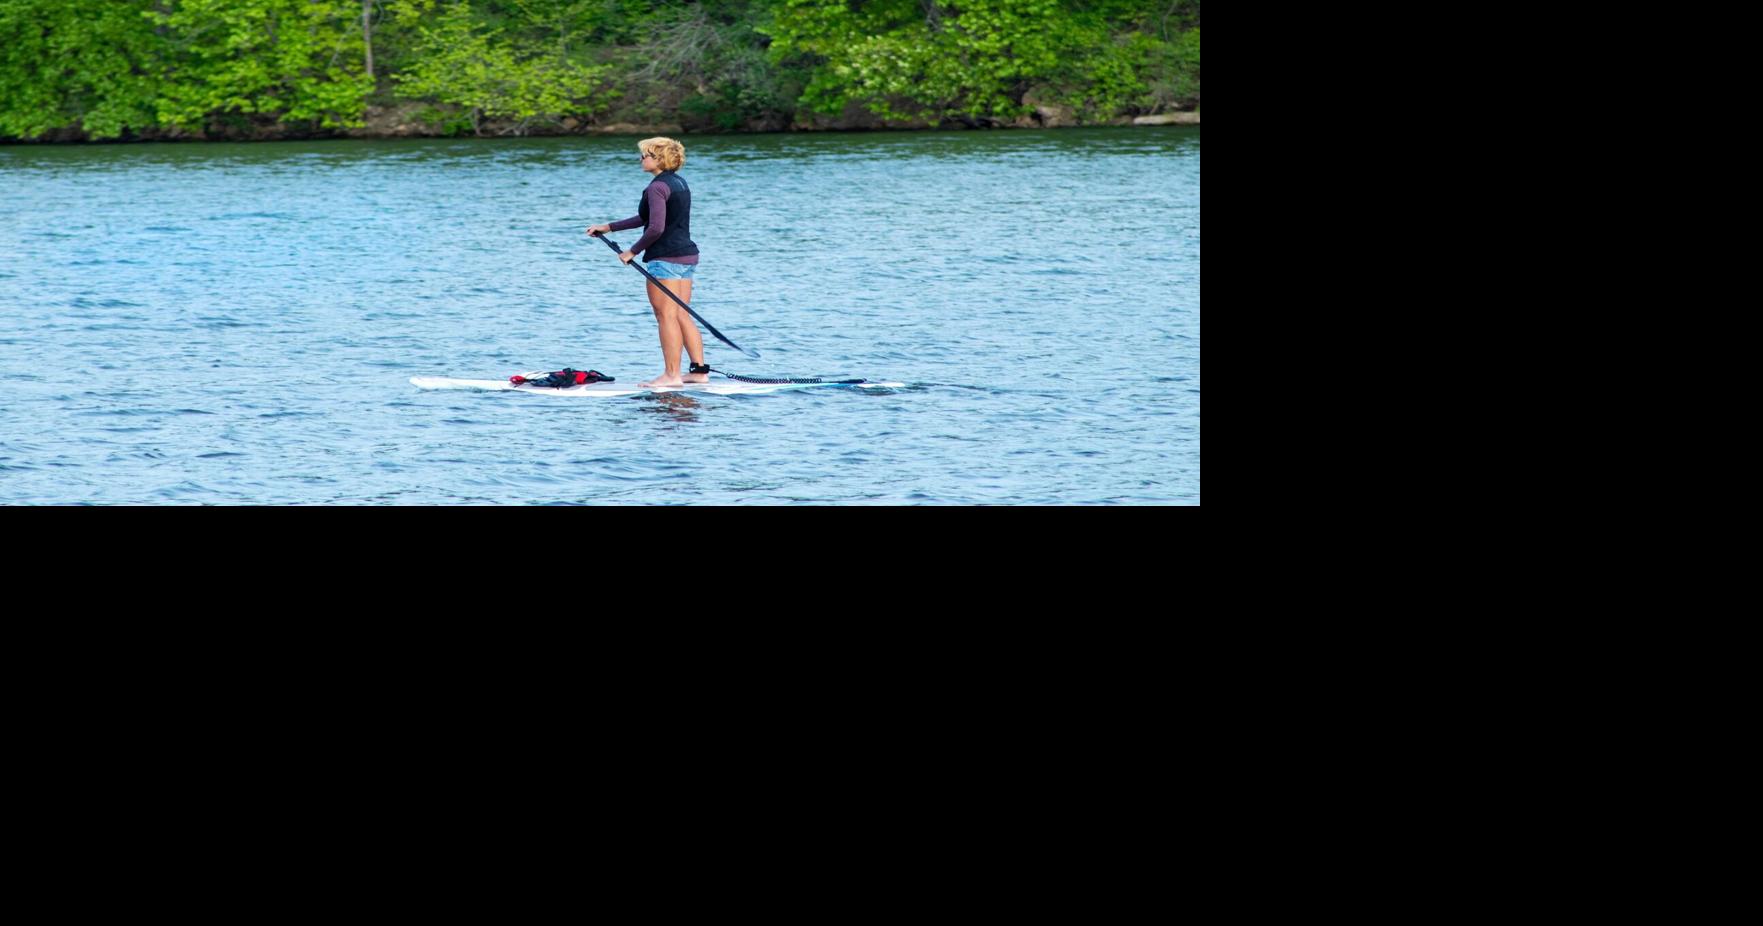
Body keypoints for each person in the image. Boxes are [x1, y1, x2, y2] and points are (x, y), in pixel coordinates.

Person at [586, 137, 705, 388]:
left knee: (666, 316)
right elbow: (646, 217)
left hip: (666, 259)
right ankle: (699, 371)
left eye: (645, 155)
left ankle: (671, 376)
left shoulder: (656, 187)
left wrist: (632, 251)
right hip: (686, 255)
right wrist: (608, 227)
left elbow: (655, 228)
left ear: (658, 159)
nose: (641, 159)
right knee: (681, 314)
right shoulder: (678, 183)